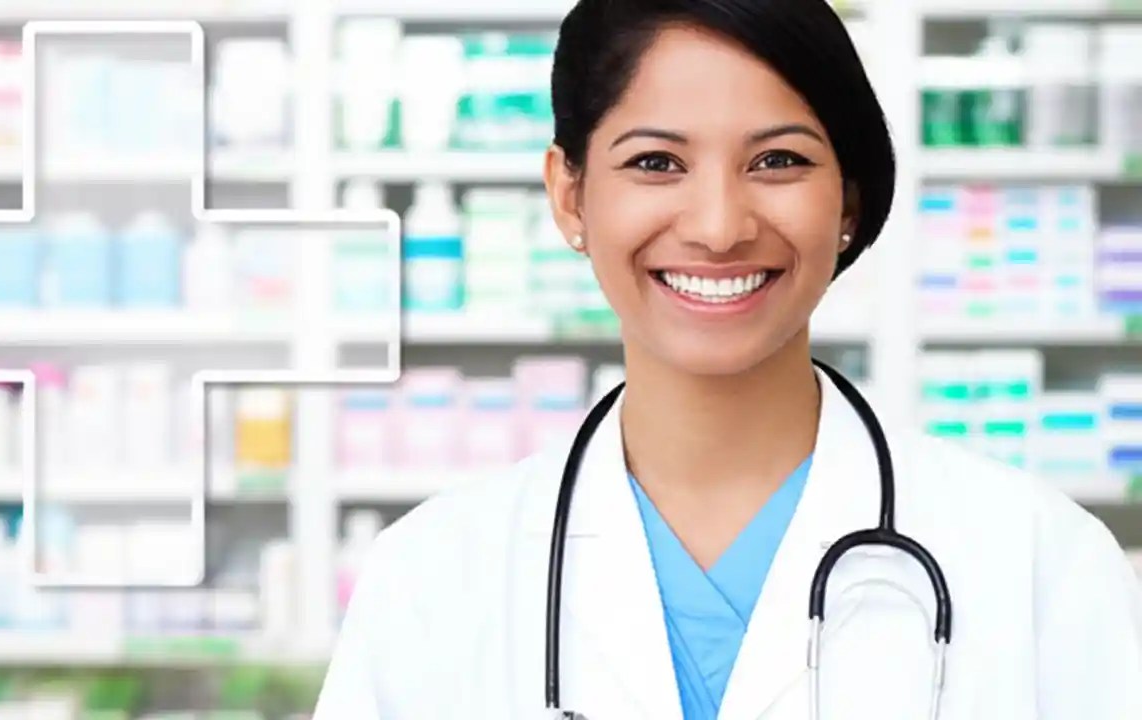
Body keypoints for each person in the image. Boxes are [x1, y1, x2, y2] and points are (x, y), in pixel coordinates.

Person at [312, 0, 1142, 717]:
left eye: (778, 161)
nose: (718, 225)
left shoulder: (1040, 566)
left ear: (847, 198)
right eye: (655, 163)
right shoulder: (429, 580)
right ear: (570, 196)